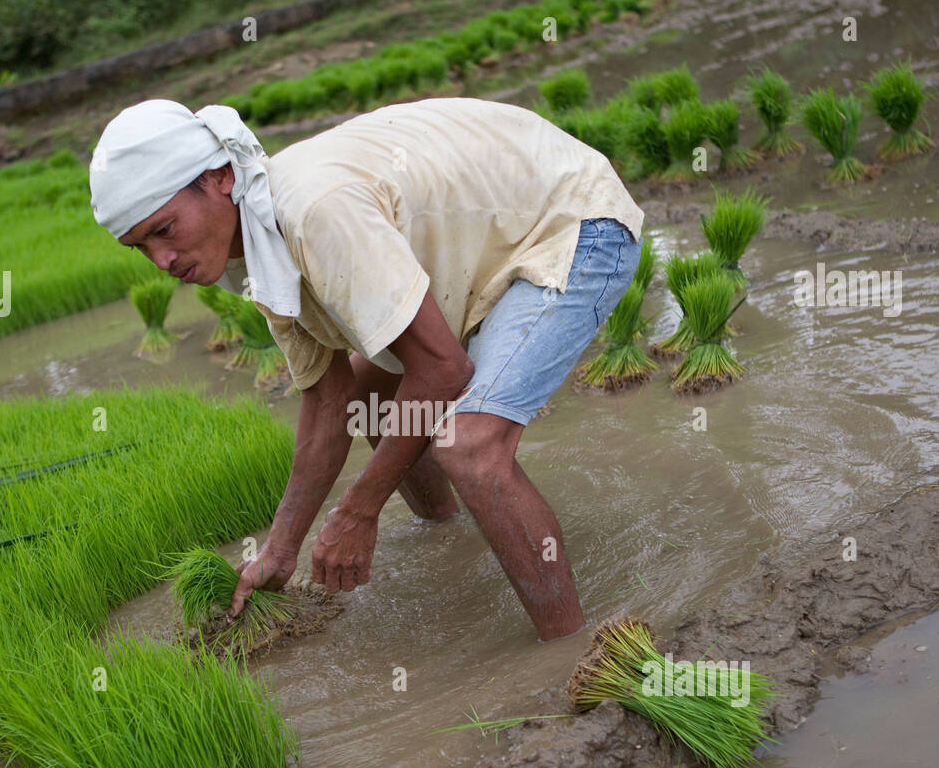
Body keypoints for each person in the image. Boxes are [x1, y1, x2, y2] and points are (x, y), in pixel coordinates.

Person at [89, 96, 643, 641]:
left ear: (218, 179)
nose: (162, 262)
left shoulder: (314, 211)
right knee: (373, 400)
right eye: (140, 247)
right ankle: (449, 535)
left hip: (571, 223)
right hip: (488, 245)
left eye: (164, 230)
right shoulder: (257, 245)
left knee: (469, 446)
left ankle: (572, 650)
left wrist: (358, 511)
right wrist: (281, 549)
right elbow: (330, 401)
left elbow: (445, 371)